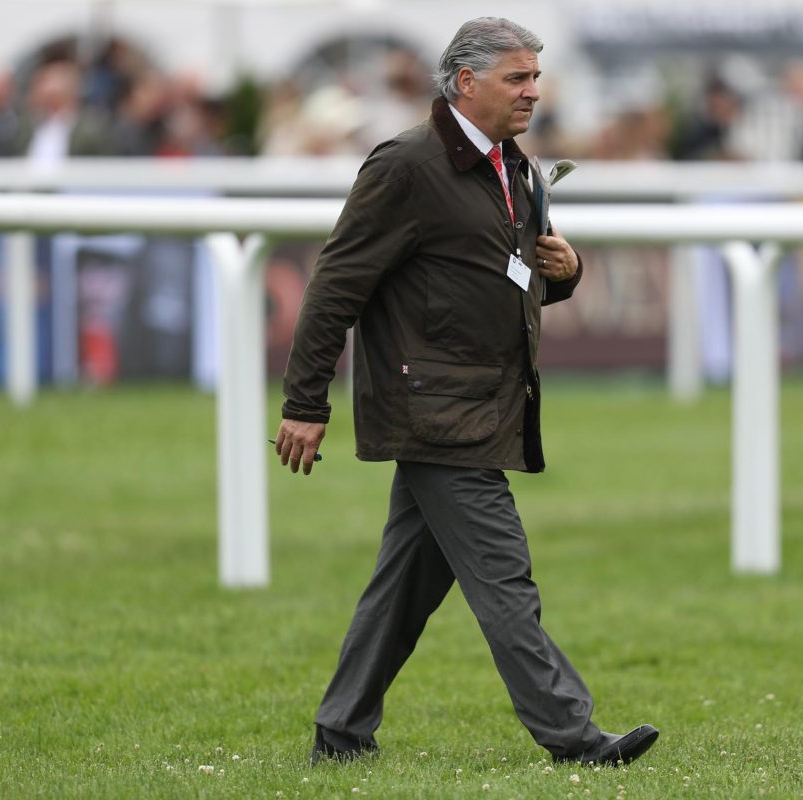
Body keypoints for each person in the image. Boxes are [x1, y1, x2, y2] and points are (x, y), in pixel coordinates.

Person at [274, 17, 659, 768]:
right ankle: (575, 738)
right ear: (465, 82)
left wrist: (566, 272)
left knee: (404, 587)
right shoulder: (405, 166)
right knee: (505, 578)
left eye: (536, 77)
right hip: (435, 412)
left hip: (483, 404)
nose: (533, 91)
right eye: (518, 78)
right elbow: (333, 289)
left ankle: (341, 733)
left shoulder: (516, 167)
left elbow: (503, 283)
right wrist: (305, 404)